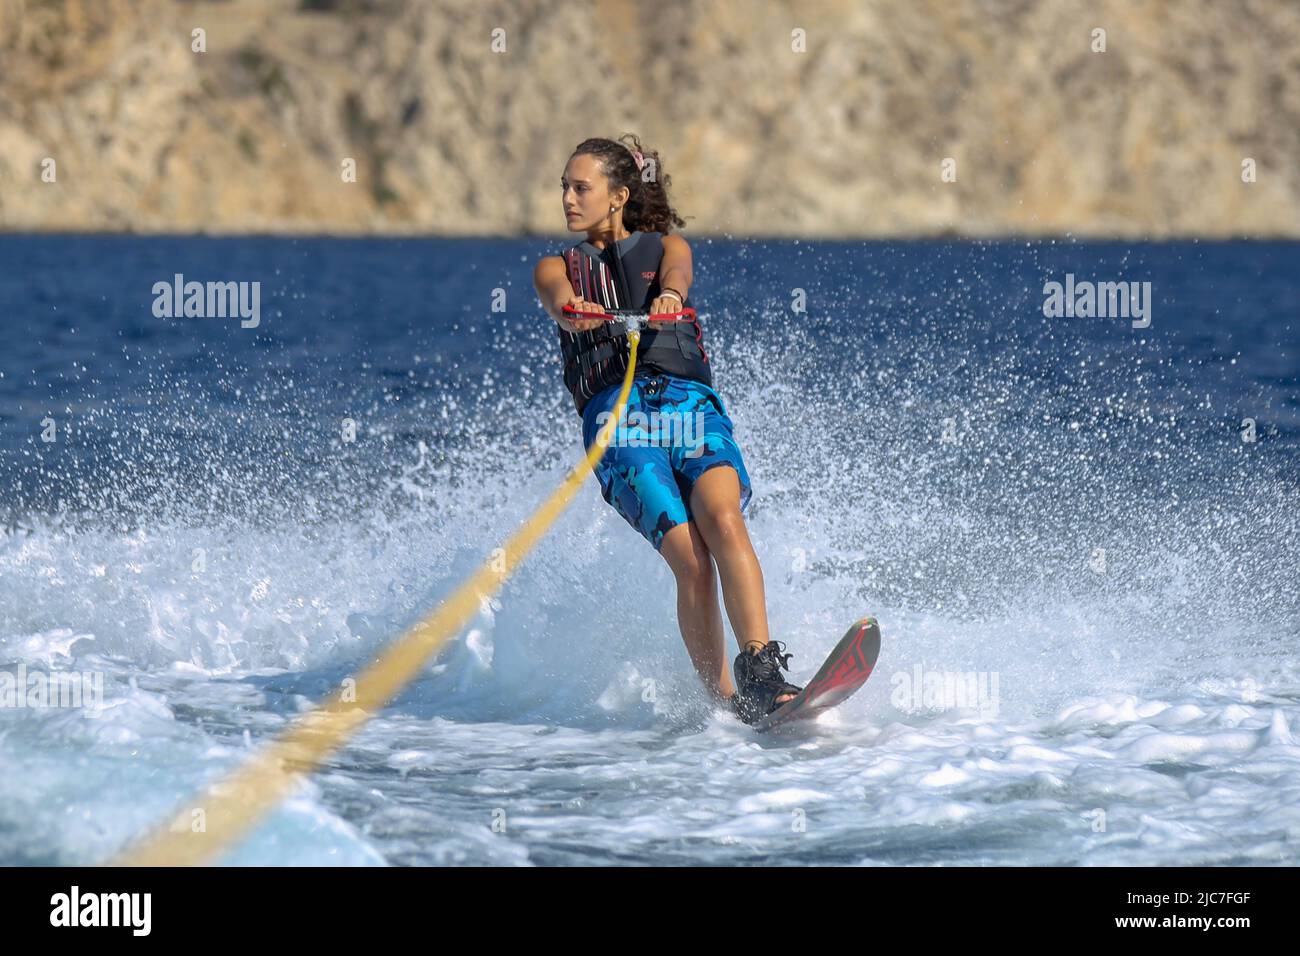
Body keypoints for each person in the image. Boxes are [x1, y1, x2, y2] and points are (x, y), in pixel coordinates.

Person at [532, 134, 800, 724]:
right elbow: (556, 297)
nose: (568, 199)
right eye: (564, 188)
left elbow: (677, 272)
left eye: (581, 187)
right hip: (618, 419)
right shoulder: (556, 267)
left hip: (686, 403)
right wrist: (573, 311)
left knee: (723, 517)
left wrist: (670, 296)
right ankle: (728, 701)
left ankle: (764, 671)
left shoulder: (668, 247)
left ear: (619, 196)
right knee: (689, 558)